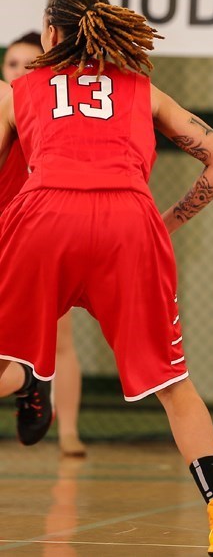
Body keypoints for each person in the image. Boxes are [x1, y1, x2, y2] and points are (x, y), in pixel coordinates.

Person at [0, 0, 213, 556]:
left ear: (50, 33)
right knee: (174, 386)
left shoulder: (18, 90)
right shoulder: (143, 89)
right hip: (128, 222)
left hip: (43, 216)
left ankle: (26, 379)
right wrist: (163, 222)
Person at [1, 31, 87, 457]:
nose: (19, 72)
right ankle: (27, 378)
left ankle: (68, 430)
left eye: (28, 65)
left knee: (60, 338)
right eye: (12, 64)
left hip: (33, 235)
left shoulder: (47, 118)